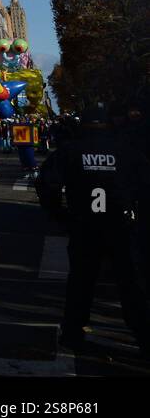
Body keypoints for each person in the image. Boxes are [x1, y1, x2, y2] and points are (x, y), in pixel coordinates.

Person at [37, 105, 150, 355]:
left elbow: (47, 185)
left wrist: (61, 216)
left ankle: (73, 332)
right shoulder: (125, 151)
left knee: (81, 281)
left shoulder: (70, 151)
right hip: (120, 225)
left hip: (85, 225)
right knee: (130, 284)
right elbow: (145, 185)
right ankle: (143, 335)